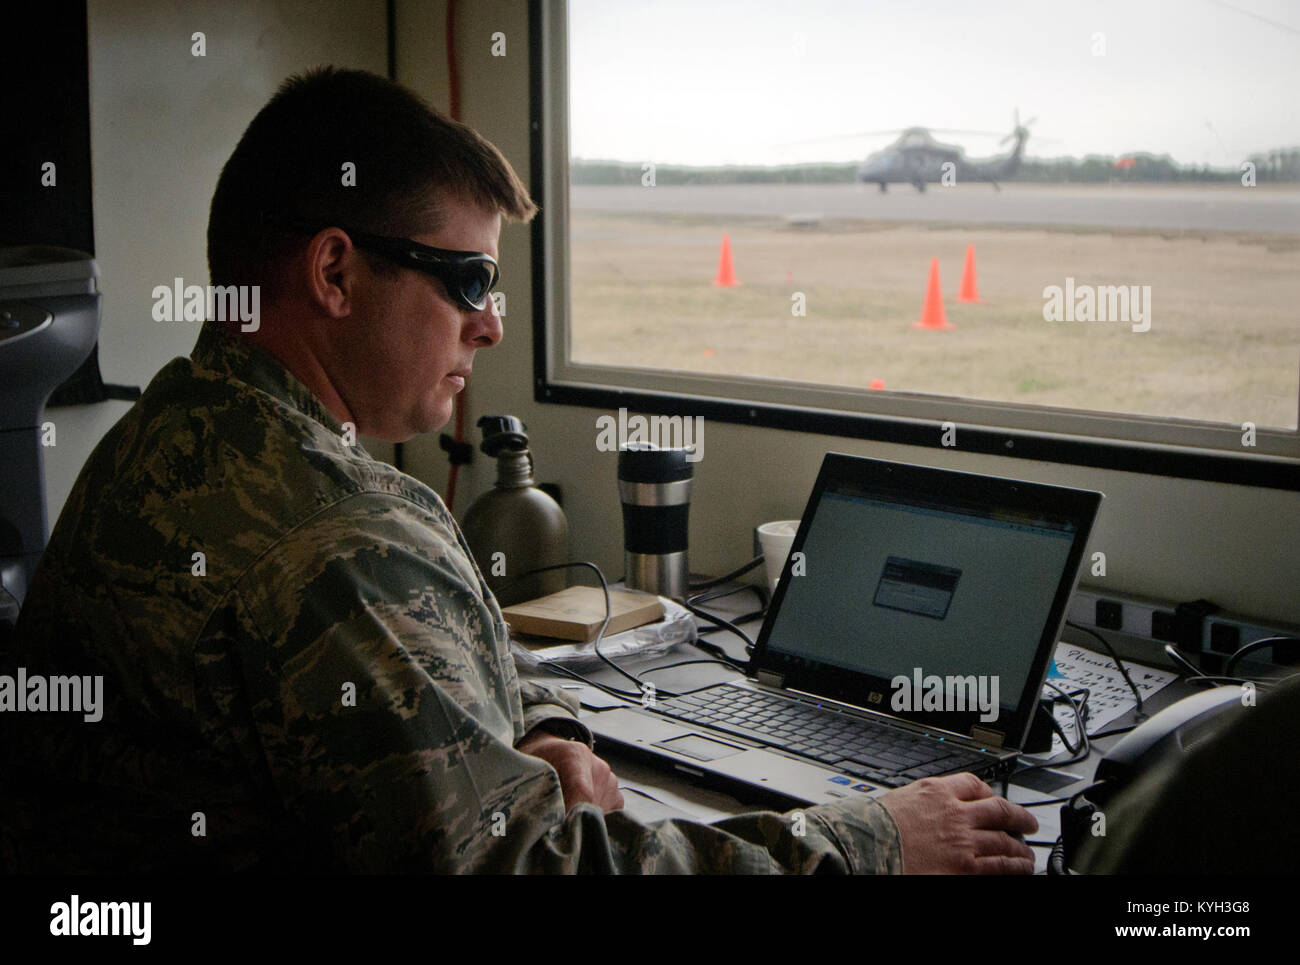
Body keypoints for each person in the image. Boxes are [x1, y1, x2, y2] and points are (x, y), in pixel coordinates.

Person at [1, 67, 1036, 873]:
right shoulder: (337, 539)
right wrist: (874, 839)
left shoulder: (168, 433)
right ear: (333, 272)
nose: (491, 323)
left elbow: (431, 663)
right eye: (468, 279)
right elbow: (533, 863)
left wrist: (543, 720)